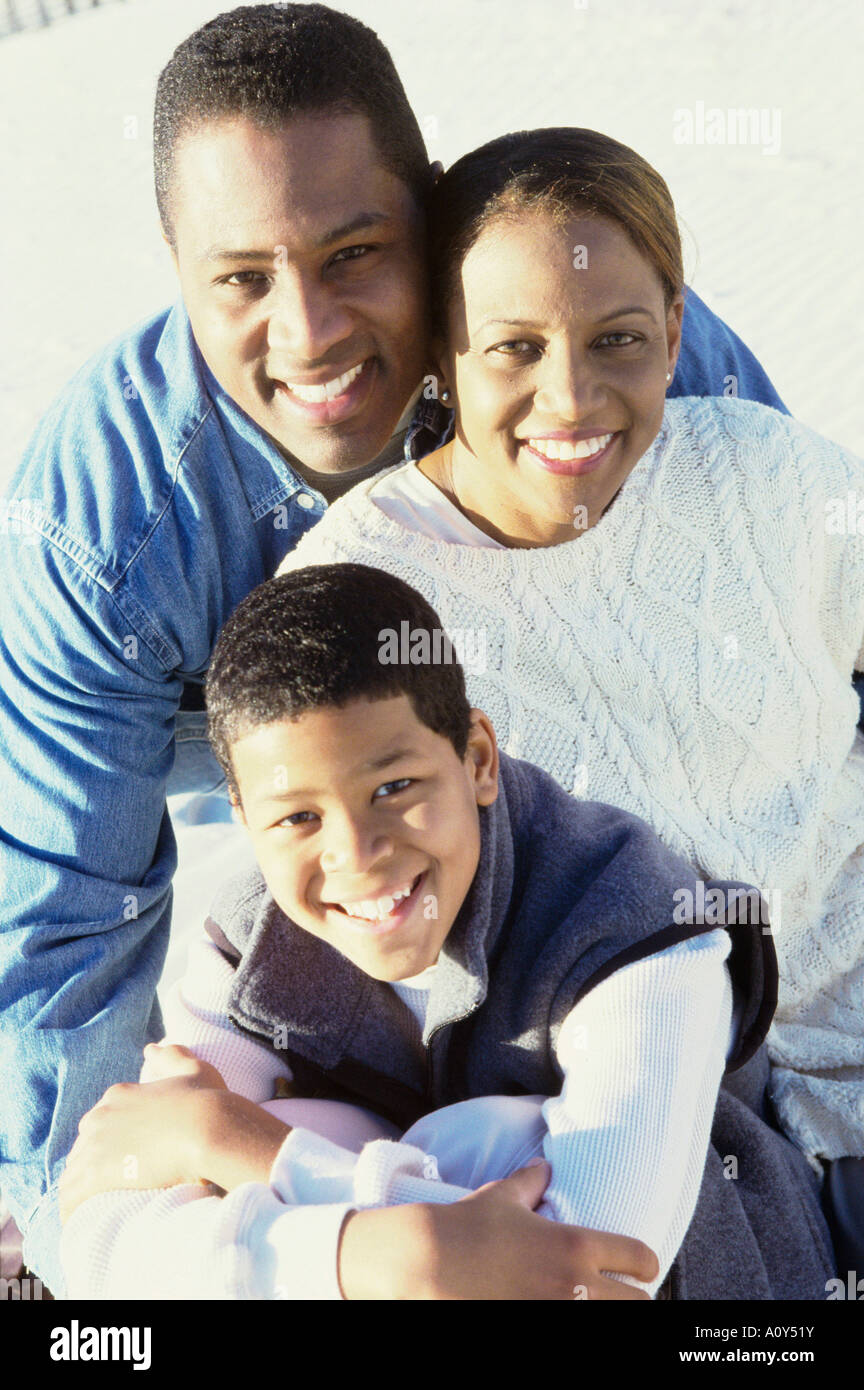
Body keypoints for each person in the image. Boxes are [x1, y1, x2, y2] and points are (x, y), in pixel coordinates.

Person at [0, 3, 792, 1294]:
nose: (308, 332)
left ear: (427, 216)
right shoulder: (108, 518)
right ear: (176, 266)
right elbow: (66, 927)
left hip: (603, 871)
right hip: (331, 878)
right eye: (241, 278)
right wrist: (80, 1226)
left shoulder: (599, 359)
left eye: (354, 251)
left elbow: (816, 687)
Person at [277, 129, 864, 1193]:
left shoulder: (761, 470)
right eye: (514, 348)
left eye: (619, 340)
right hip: (664, 1139)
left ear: (677, 330)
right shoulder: (357, 602)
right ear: (439, 354)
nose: (573, 399)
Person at [58, 565, 834, 1300]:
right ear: (246, 824)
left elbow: (600, 1269)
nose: (357, 857)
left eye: (395, 788)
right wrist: (375, 1254)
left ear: (478, 761)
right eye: (298, 818)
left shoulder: (634, 918)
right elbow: (99, 1242)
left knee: (469, 1134)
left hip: (710, 1295)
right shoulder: (255, 938)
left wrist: (242, 1143)